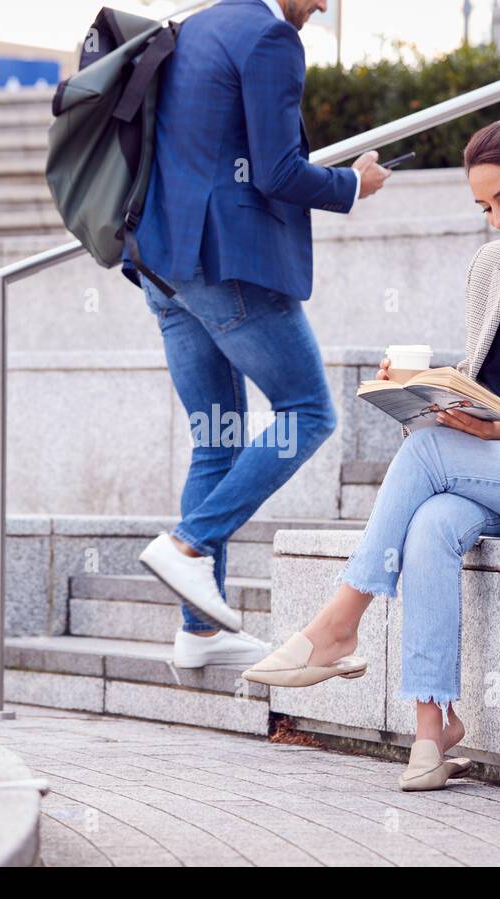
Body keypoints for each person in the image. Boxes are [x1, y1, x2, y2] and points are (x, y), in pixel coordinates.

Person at [243, 116, 500, 791]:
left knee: (428, 455)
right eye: (484, 206)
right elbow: (481, 374)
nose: (498, 219)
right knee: (433, 523)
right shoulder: (488, 266)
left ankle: (339, 626)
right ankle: (433, 732)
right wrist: (419, 385)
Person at [128, 0, 392, 669]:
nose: (326, 5)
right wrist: (353, 184)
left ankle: (201, 633)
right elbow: (276, 171)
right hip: (229, 264)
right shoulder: (271, 37)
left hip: (164, 265)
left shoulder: (197, 27)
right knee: (307, 412)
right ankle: (189, 545)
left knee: (215, 442)